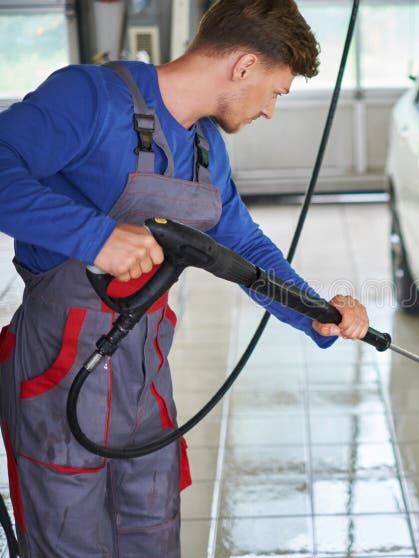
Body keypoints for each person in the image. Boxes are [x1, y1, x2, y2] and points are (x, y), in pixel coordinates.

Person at [0, 0, 369, 555]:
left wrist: (317, 313)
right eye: (275, 92)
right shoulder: (91, 97)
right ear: (244, 65)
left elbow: (245, 247)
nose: (271, 110)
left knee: (153, 535)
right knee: (69, 541)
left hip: (146, 386)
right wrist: (97, 237)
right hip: (60, 376)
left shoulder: (205, 147)